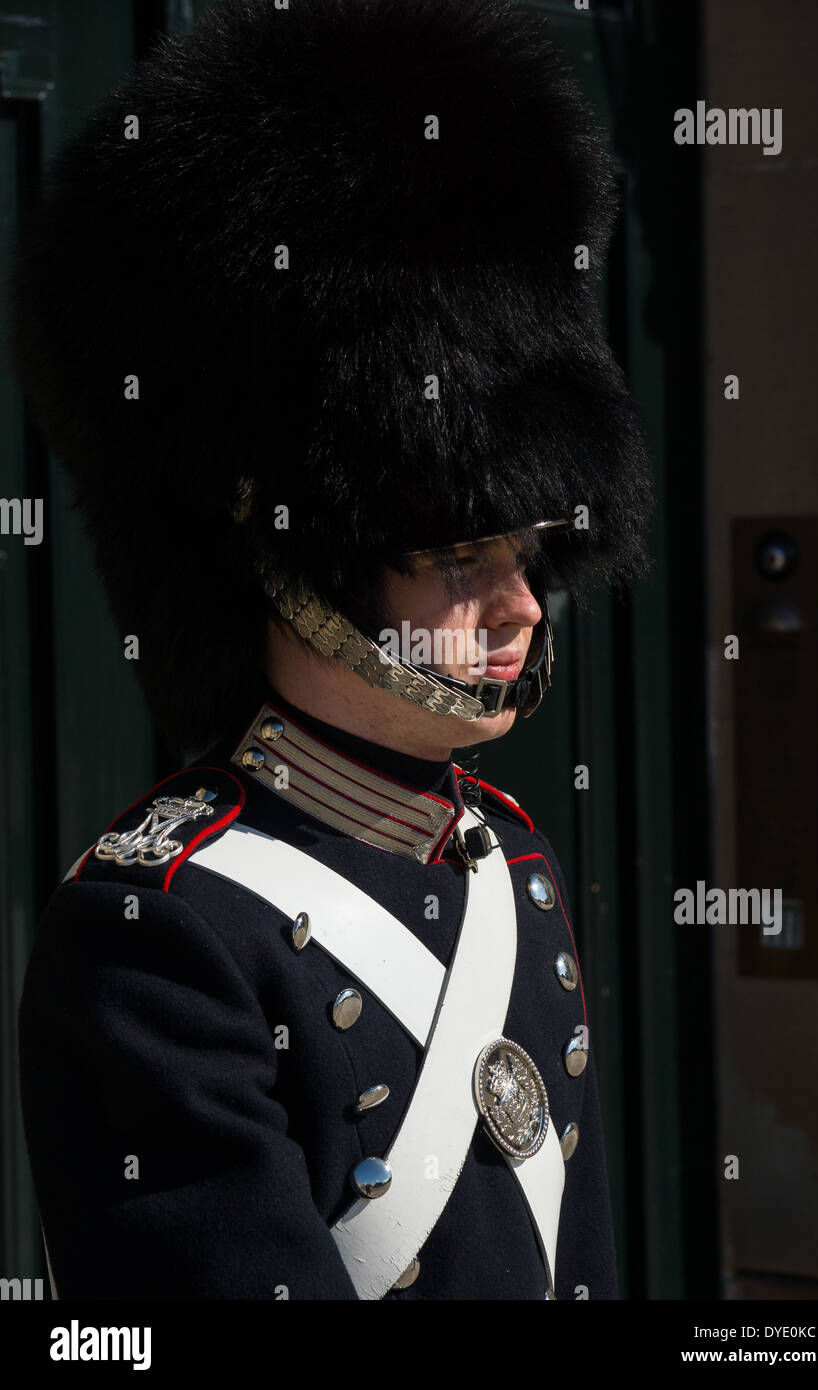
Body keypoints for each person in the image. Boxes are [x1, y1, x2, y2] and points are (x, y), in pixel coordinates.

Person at [11, 0, 652, 1300]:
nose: (523, 605)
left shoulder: (509, 861)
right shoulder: (159, 928)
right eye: (458, 557)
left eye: (523, 553)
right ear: (295, 560)